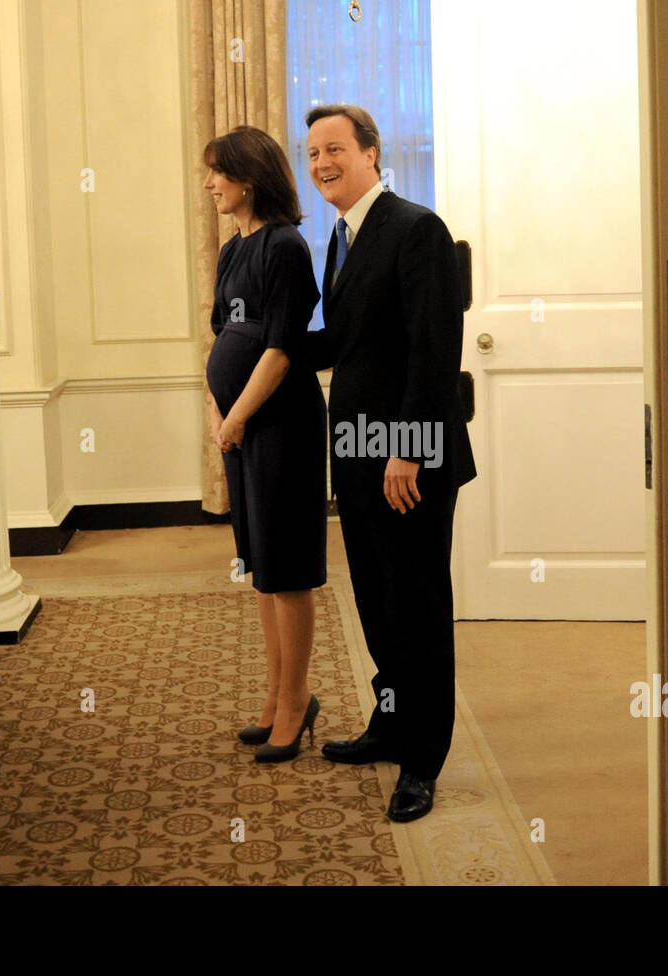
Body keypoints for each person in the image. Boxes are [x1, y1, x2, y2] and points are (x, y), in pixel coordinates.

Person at [304, 104, 476, 822]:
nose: (321, 164)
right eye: (312, 153)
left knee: (417, 605)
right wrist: (259, 347)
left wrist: (406, 447)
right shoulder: (341, 239)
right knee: (374, 597)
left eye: (335, 149)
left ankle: (422, 760)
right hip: (356, 453)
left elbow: (433, 352)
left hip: (411, 456)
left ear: (372, 152)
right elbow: (346, 343)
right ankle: (390, 720)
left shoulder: (416, 228)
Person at [202, 125, 326, 762]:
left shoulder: (285, 247)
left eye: (217, 173)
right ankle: (277, 697)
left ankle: (298, 698)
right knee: (260, 565)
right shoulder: (232, 251)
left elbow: (280, 351)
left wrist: (238, 416)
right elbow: (226, 337)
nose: (209, 184)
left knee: (289, 569)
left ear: (248, 177)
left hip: (281, 427)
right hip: (242, 428)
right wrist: (222, 412)